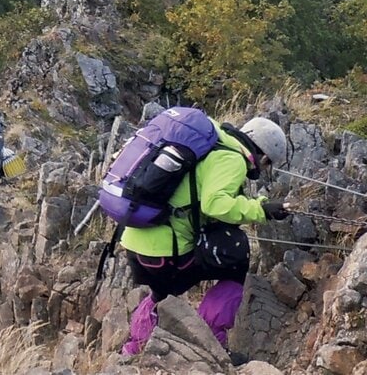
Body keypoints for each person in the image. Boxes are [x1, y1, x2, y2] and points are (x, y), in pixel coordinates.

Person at [121, 115, 291, 356]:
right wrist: (260, 209)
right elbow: (215, 205)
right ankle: (212, 343)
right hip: (167, 252)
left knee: (161, 292)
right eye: (267, 165)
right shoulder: (232, 159)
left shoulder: (211, 143)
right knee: (235, 265)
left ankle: (133, 349)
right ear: (264, 157)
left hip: (136, 244)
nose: (263, 169)